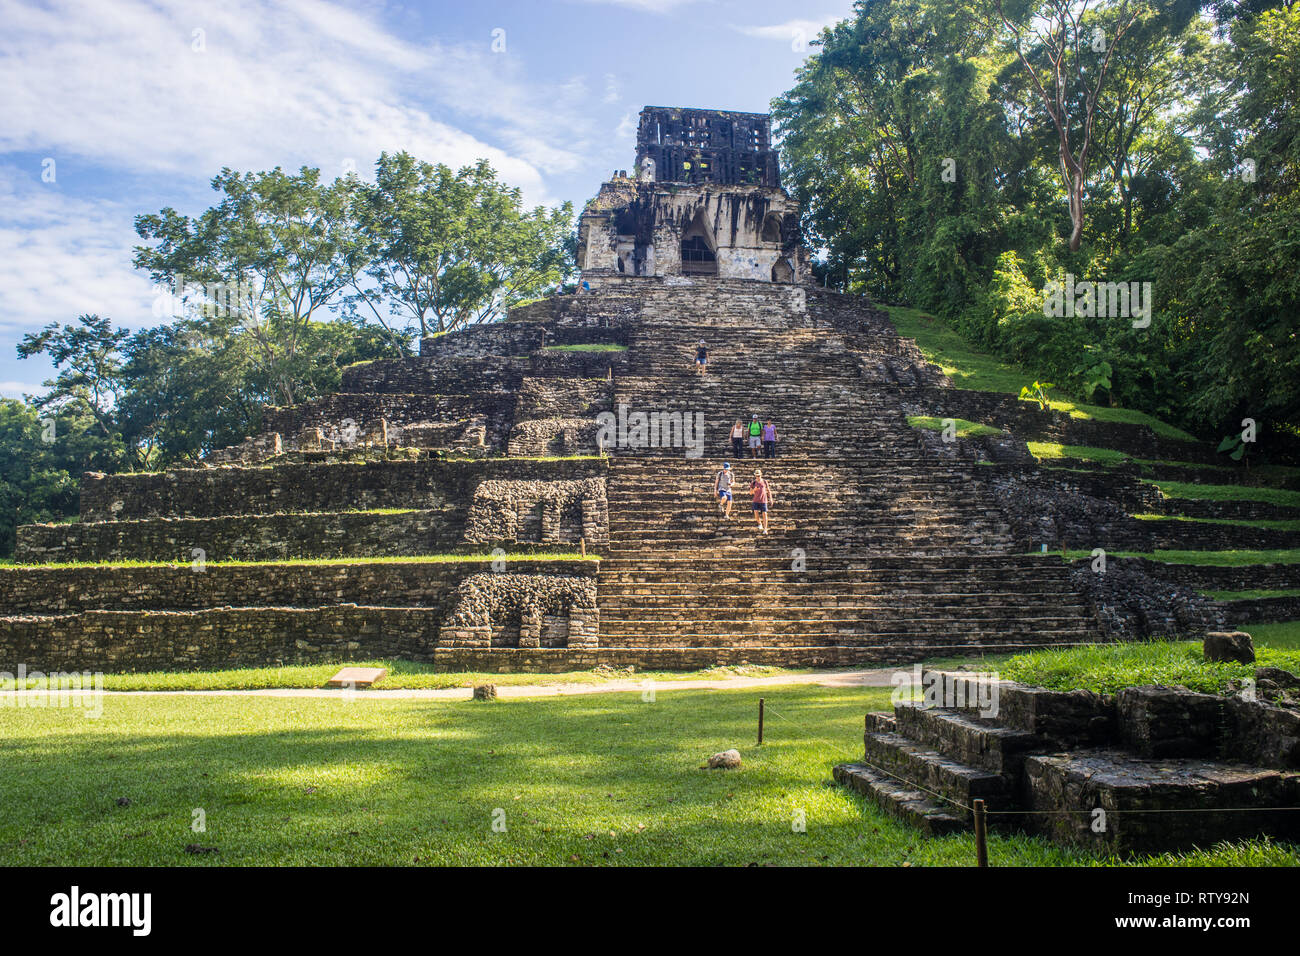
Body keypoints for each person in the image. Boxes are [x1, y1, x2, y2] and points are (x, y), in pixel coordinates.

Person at [751, 469, 774, 534]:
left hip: (763, 500)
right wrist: (754, 490)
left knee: (765, 514)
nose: (758, 477)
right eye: (756, 476)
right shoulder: (753, 483)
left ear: (761, 475)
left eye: (759, 476)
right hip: (756, 500)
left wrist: (771, 499)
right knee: (756, 513)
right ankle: (759, 523)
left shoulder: (764, 481)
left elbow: (768, 490)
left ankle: (765, 529)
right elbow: (750, 493)